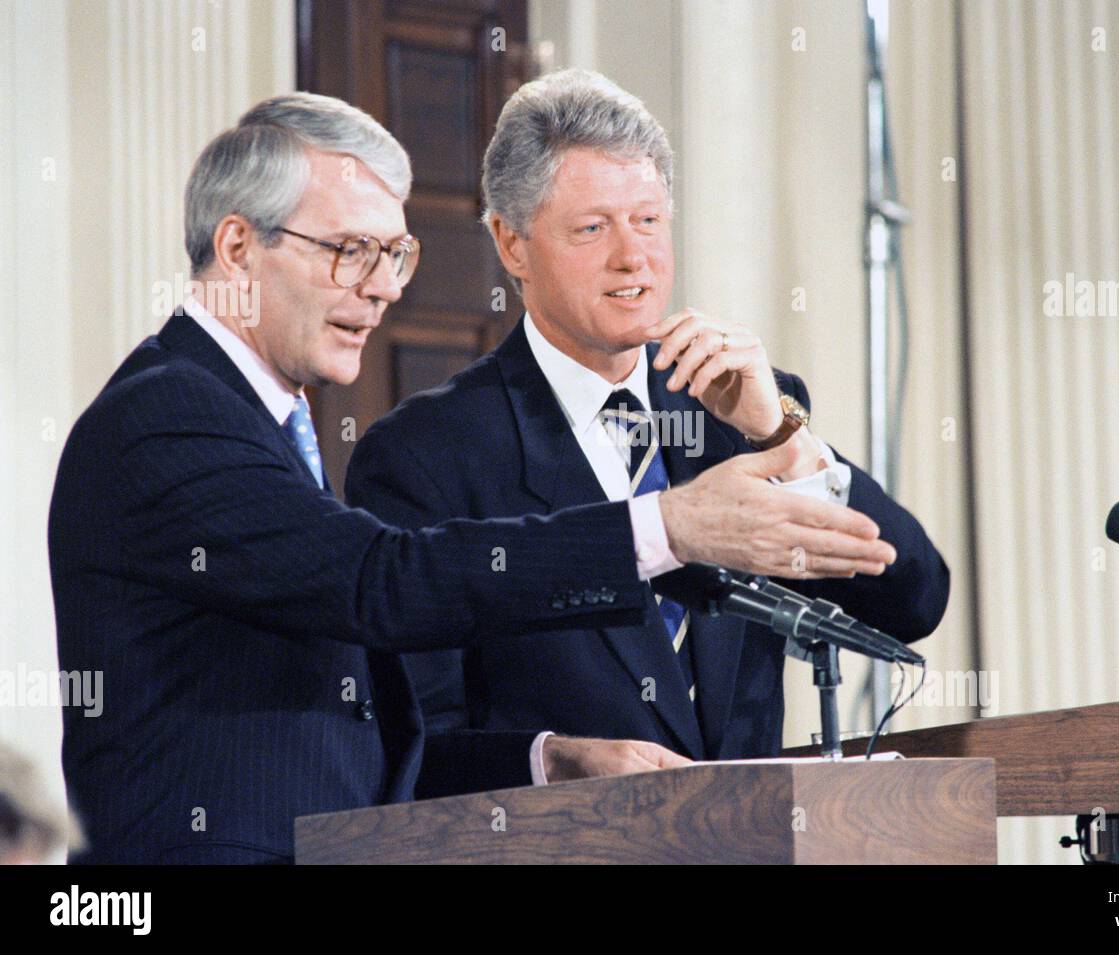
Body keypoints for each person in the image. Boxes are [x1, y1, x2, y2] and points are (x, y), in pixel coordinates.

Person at [49, 91, 882, 863]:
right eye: (349, 251)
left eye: (393, 253)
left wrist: (548, 760)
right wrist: (667, 526)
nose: (380, 289)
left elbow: (370, 707)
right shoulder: (166, 417)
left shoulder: (252, 417)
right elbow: (381, 581)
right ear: (238, 246)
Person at [346, 70, 949, 761]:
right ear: (512, 244)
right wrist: (552, 760)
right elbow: (410, 749)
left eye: (649, 221)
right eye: (593, 228)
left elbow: (915, 600)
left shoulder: (743, 411)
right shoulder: (426, 455)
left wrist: (786, 436)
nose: (633, 256)